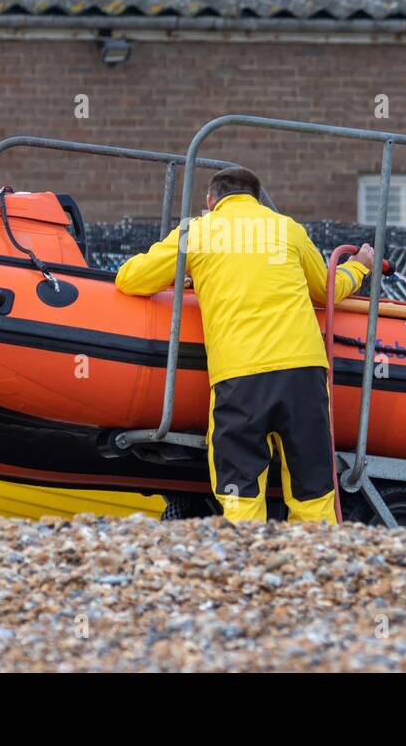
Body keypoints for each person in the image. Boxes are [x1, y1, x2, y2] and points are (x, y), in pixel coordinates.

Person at [115, 166, 373, 523]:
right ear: (256, 196)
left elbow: (130, 278)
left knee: (240, 487)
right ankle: (319, 565)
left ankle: (245, 563)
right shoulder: (287, 229)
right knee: (312, 486)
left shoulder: (199, 232)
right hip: (303, 372)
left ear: (211, 199)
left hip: (241, 376)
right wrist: (359, 266)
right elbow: (326, 290)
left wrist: (191, 275)